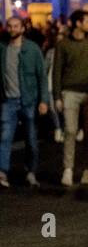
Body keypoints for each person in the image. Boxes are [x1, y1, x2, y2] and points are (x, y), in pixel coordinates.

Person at [51, 9, 88, 187]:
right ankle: (68, 169)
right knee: (70, 131)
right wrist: (57, 96)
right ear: (78, 23)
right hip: (70, 92)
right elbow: (57, 71)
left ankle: (87, 170)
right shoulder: (63, 45)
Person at [0, 16, 52, 189]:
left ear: (23, 29)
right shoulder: (2, 48)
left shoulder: (32, 49)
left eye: (16, 26)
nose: (12, 29)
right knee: (5, 137)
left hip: (29, 100)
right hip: (8, 100)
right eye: (10, 26)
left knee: (31, 139)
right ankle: (2, 172)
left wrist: (44, 100)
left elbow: (42, 77)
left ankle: (31, 171)